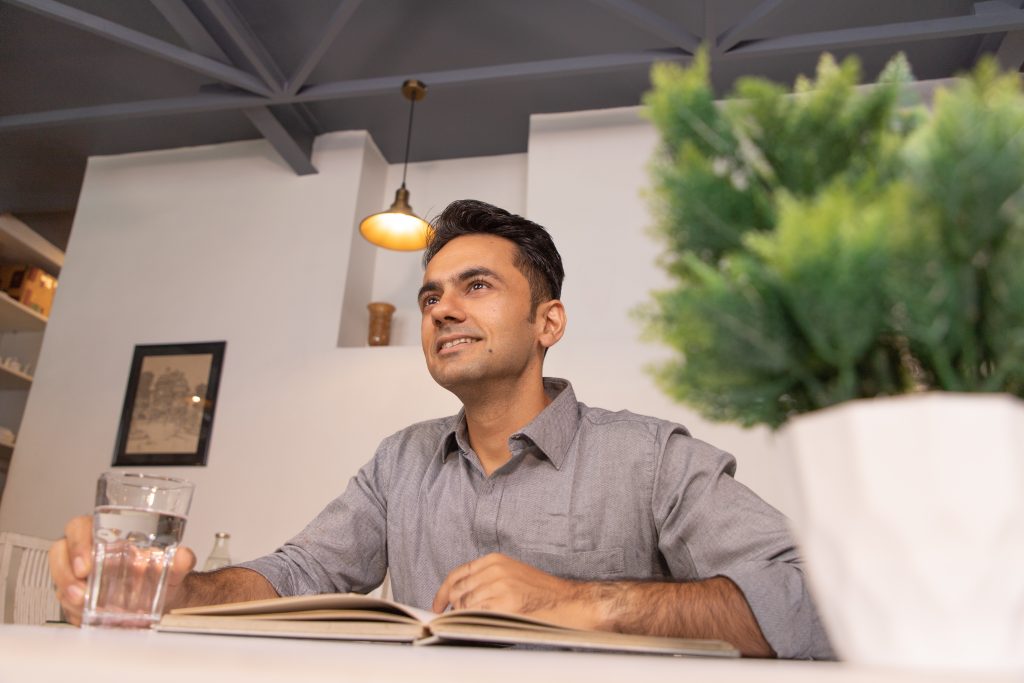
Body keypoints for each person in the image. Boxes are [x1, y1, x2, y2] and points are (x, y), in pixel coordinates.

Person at [50, 199, 832, 659]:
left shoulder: (651, 456)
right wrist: (182, 592)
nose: (443, 309)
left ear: (547, 320)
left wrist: (587, 602)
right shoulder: (400, 462)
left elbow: (815, 596)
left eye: (477, 286)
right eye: (429, 297)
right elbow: (296, 573)